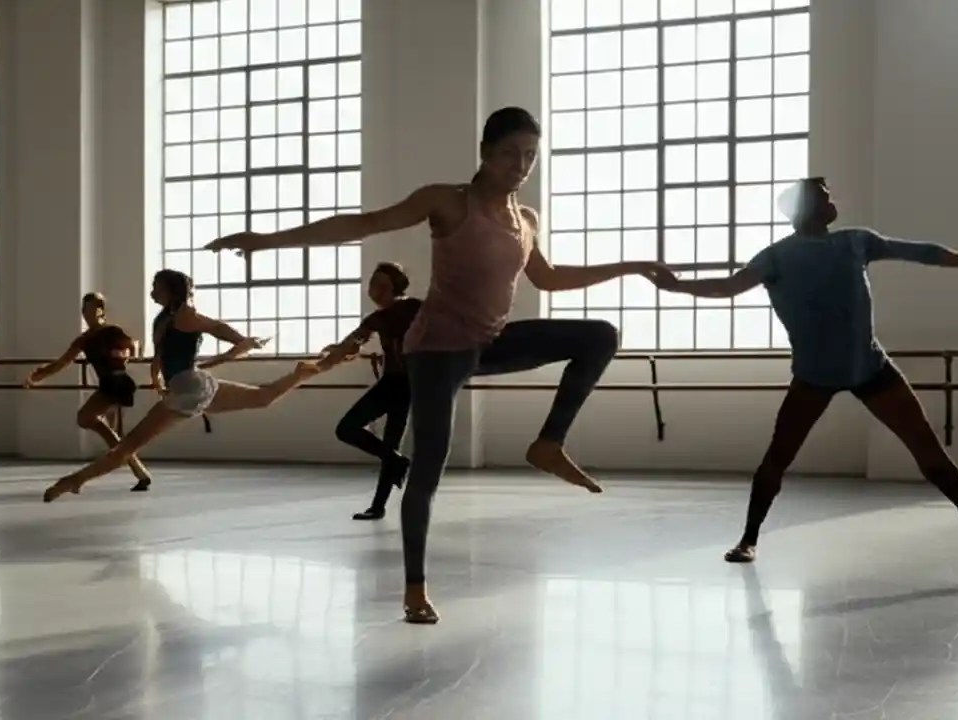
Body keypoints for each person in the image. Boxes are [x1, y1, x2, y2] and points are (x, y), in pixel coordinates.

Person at [206, 107, 673, 624]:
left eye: (530, 156)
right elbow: (364, 224)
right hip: (435, 351)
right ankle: (414, 589)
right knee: (429, 467)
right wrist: (267, 240)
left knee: (600, 337)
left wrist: (631, 266)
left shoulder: (527, 220)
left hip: (490, 342)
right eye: (509, 155)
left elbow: (550, 278)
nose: (520, 166)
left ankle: (548, 444)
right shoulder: (448, 202)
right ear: (484, 154)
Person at [651, 177, 958, 563]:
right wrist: (678, 287)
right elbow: (729, 286)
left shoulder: (855, 241)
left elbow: (922, 252)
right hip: (813, 376)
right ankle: (748, 538)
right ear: (805, 209)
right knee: (779, 455)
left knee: (924, 444)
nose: (832, 202)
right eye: (825, 198)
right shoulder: (776, 257)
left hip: (871, 368)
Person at [41, 269, 339, 502]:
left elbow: (215, 327)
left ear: (170, 290)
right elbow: (158, 357)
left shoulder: (184, 314)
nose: (151, 290)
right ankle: (300, 373)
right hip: (190, 385)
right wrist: (158, 380)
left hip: (189, 387)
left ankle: (74, 480)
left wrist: (240, 341)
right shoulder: (162, 320)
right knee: (263, 398)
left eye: (156, 285)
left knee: (127, 446)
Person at [317, 262, 421, 520]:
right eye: (372, 284)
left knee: (388, 442)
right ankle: (395, 467)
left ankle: (379, 504)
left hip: (412, 384)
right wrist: (333, 354)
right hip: (391, 382)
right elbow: (354, 341)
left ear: (395, 287)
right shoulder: (376, 318)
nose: (375, 290)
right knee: (348, 429)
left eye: (382, 285)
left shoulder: (415, 308)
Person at [25, 292, 153, 490]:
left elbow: (132, 345)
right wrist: (37, 375)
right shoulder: (84, 339)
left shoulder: (112, 330)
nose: (88, 313)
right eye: (85, 309)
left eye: (92, 309)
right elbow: (62, 362)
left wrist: (126, 357)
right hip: (108, 384)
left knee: (86, 417)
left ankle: (137, 469)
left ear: (101, 310)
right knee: (93, 422)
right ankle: (138, 470)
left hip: (119, 382)